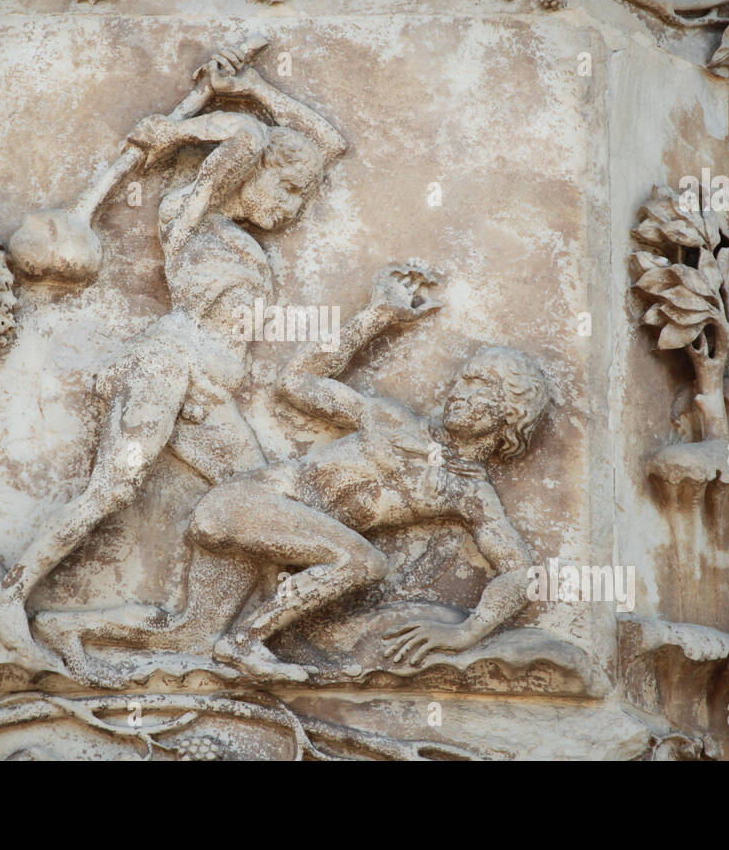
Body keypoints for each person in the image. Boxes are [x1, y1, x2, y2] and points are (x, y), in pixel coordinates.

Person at [0, 53, 346, 664]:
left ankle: (231, 638)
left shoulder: (243, 241)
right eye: (288, 186)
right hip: (168, 369)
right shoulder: (191, 215)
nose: (295, 206)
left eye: (303, 194)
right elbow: (246, 136)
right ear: (248, 173)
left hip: (207, 394)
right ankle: (8, 598)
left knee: (255, 506)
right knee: (112, 492)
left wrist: (253, 86)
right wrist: (178, 132)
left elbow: (327, 143)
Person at [177, 263, 551, 681]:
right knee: (365, 563)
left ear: (511, 413)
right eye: (462, 379)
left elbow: (521, 572)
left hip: (269, 541)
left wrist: (466, 633)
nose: (460, 391)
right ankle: (244, 642)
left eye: (480, 384)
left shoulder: (470, 494)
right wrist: (378, 315)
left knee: (182, 639)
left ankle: (103, 639)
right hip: (241, 505)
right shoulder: (390, 419)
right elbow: (297, 383)